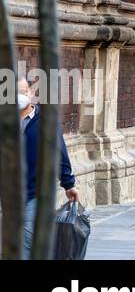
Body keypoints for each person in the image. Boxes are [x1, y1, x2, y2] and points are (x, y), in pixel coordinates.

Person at [18, 78, 78, 258]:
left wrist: (69, 183)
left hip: (33, 194)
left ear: (31, 93)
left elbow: (59, 153)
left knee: (25, 244)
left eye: (22, 92)